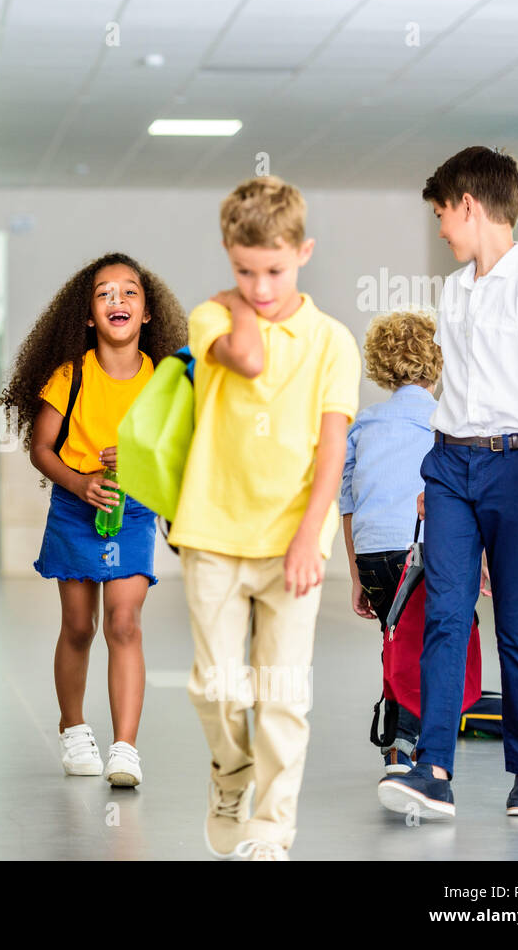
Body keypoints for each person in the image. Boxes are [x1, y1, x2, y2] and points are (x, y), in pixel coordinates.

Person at [378, 146, 518, 820]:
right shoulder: (452, 290)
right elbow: (454, 390)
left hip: (517, 466)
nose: (440, 229)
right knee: (446, 615)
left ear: (469, 204)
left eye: (442, 214)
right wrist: (438, 471)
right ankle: (433, 768)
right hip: (451, 464)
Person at [172, 176, 360, 860]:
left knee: (283, 692)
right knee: (214, 684)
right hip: (213, 531)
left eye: (275, 270)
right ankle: (231, 775)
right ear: (229, 253)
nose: (259, 287)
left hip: (291, 541)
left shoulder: (334, 341)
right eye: (244, 271)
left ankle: (273, 824)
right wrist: (236, 305)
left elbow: (333, 445)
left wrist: (311, 536)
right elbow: (246, 359)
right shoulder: (212, 318)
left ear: (304, 252)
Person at [0, 252, 187, 787]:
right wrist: (80, 482)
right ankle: (73, 726)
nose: (117, 301)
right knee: (79, 626)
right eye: (104, 294)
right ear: (87, 315)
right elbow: (40, 448)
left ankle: (125, 747)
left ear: (148, 313)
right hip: (76, 509)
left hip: (133, 511)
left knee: (124, 622)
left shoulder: (165, 379)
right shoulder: (69, 374)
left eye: (129, 292)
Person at [340, 310, 441, 775]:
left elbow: (348, 500)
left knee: (395, 638)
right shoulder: (444, 422)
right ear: (438, 362)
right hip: (419, 551)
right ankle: (409, 744)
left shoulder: (364, 423)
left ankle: (397, 741)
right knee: (428, 646)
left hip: (372, 555)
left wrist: (358, 573)